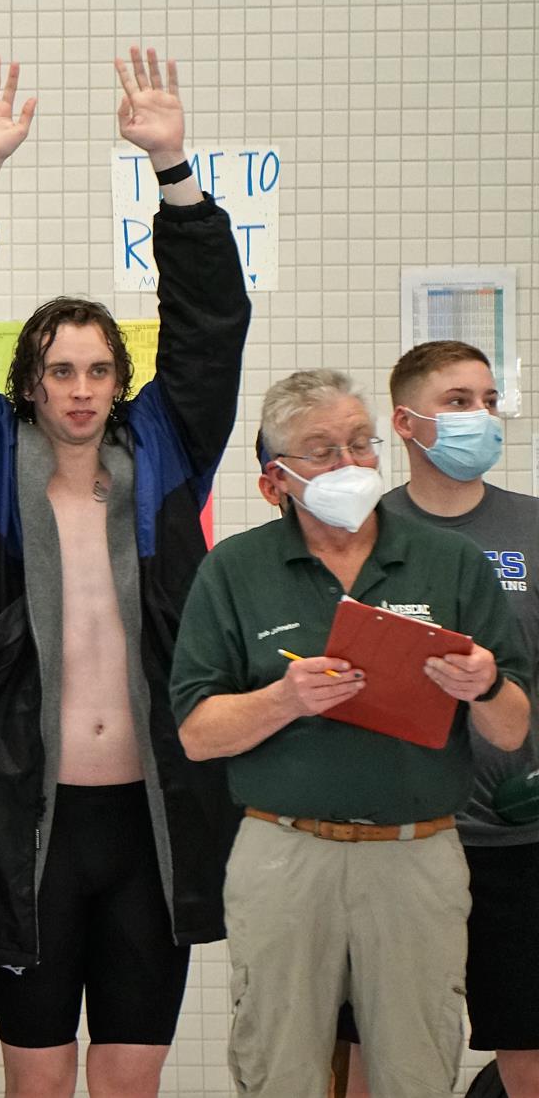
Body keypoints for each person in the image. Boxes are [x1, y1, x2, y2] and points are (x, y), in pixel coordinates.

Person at [0, 50, 250, 1096]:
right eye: (60, 370)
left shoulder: (165, 461)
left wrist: (172, 169)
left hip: (147, 823)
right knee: (39, 1083)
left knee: (128, 1082)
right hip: (28, 823)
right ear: (29, 381)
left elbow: (210, 332)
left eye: (99, 370)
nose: (81, 390)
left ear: (120, 382)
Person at [172, 367, 533, 1097]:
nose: (350, 464)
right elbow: (196, 734)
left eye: (361, 445)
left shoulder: (448, 561)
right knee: (279, 1066)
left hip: (418, 851)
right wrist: (283, 698)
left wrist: (485, 684)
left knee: (416, 1066)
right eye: (323, 450)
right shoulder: (234, 570)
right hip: (283, 852)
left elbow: (513, 722)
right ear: (276, 477)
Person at [336, 341, 539, 1098]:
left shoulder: (532, 526)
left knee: (527, 1052)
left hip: (517, 841)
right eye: (457, 402)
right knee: (374, 1055)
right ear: (407, 421)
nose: (480, 417)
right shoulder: (359, 532)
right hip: (390, 838)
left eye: (488, 401)